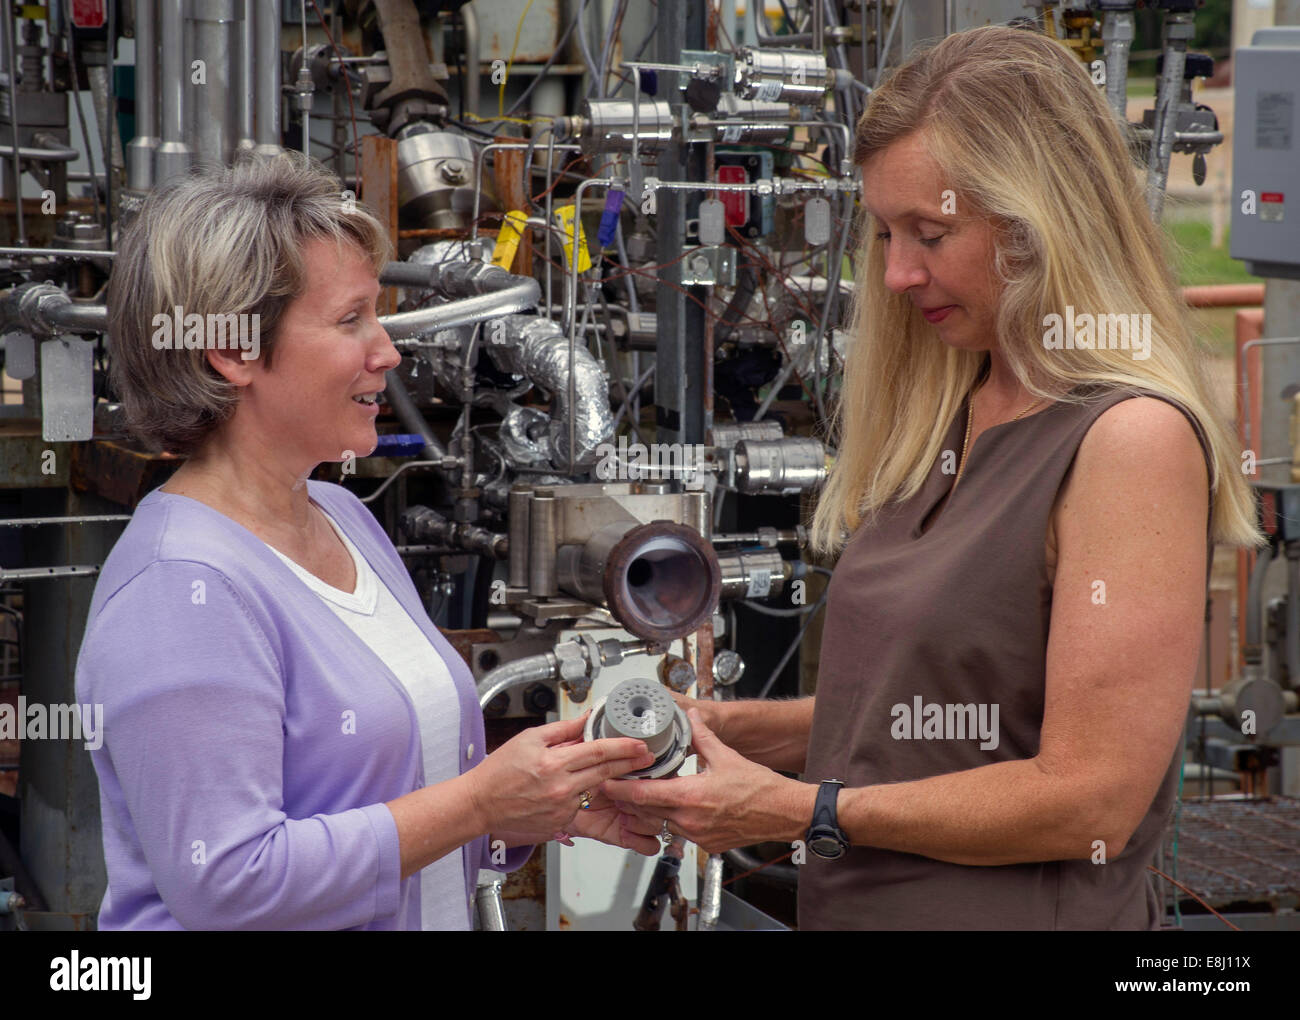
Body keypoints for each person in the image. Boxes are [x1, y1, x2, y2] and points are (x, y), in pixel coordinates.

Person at [606, 25, 1264, 929]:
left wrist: (807, 811)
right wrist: (739, 732)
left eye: (931, 232)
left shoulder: (1128, 441)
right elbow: (947, 709)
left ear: (1044, 223)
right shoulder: (957, 408)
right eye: (883, 233)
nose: (898, 274)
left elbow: (1089, 799)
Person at [75, 151, 659, 931]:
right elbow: (230, 884)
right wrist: (477, 800)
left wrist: (522, 815)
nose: (386, 352)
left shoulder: (339, 516)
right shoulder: (181, 590)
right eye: (351, 319)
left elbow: (396, 814)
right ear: (232, 351)